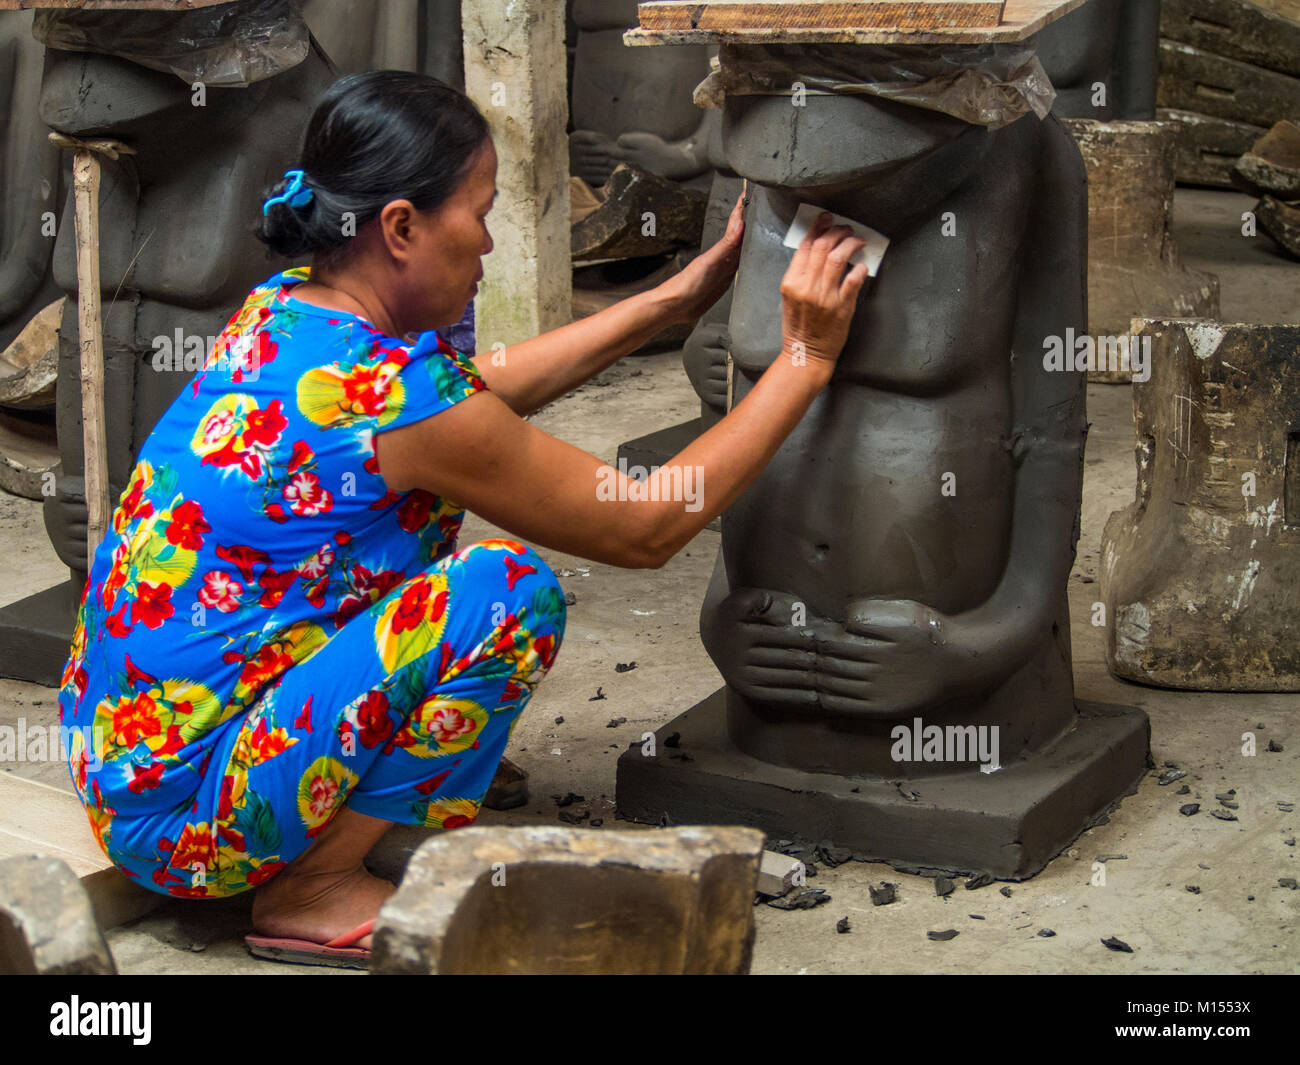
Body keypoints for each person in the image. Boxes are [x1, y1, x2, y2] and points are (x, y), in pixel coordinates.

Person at [57, 69, 869, 965]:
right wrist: (806, 354)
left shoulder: (287, 312)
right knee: (506, 592)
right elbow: (644, 523)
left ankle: (347, 795)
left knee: (418, 559)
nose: (487, 242)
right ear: (401, 227)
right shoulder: (401, 399)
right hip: (192, 825)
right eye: (478, 214)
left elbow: (481, 391)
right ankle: (311, 885)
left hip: (128, 771)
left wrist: (672, 301)